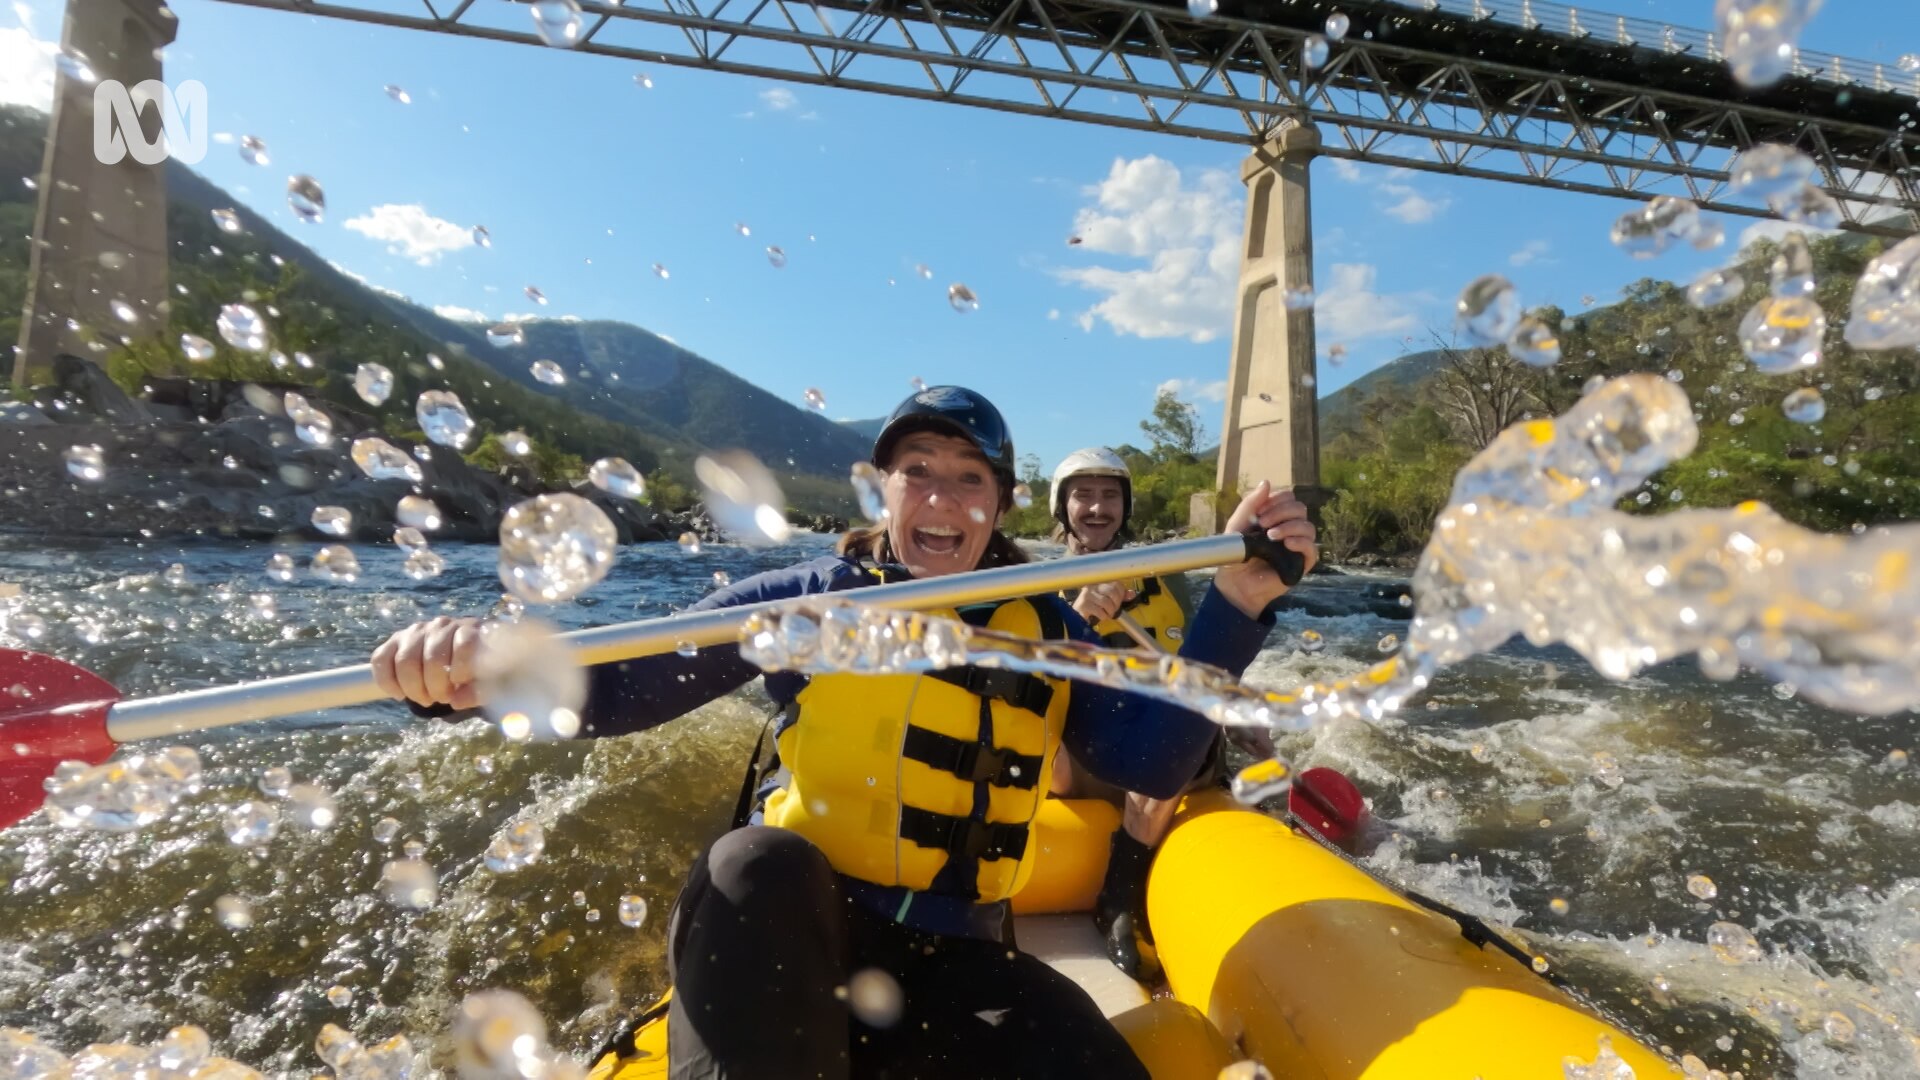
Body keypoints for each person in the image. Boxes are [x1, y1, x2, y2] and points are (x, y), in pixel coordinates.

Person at [370, 386, 1317, 1080]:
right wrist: (475, 671)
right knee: (753, 859)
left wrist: (1237, 603)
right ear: (883, 492)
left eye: (968, 479)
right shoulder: (812, 601)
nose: (941, 501)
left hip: (964, 964)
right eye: (918, 476)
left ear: (1001, 501)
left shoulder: (1049, 631)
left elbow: (1150, 757)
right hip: (803, 942)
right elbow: (623, 689)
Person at [1045, 447, 1200, 979]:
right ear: (1062, 506)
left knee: (1182, 732)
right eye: (1082, 495)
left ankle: (1119, 896)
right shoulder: (1034, 586)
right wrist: (1079, 614)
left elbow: (1200, 667)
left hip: (1149, 746)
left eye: (1109, 496)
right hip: (1076, 748)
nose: (1096, 508)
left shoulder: (1169, 578)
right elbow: (1027, 676)